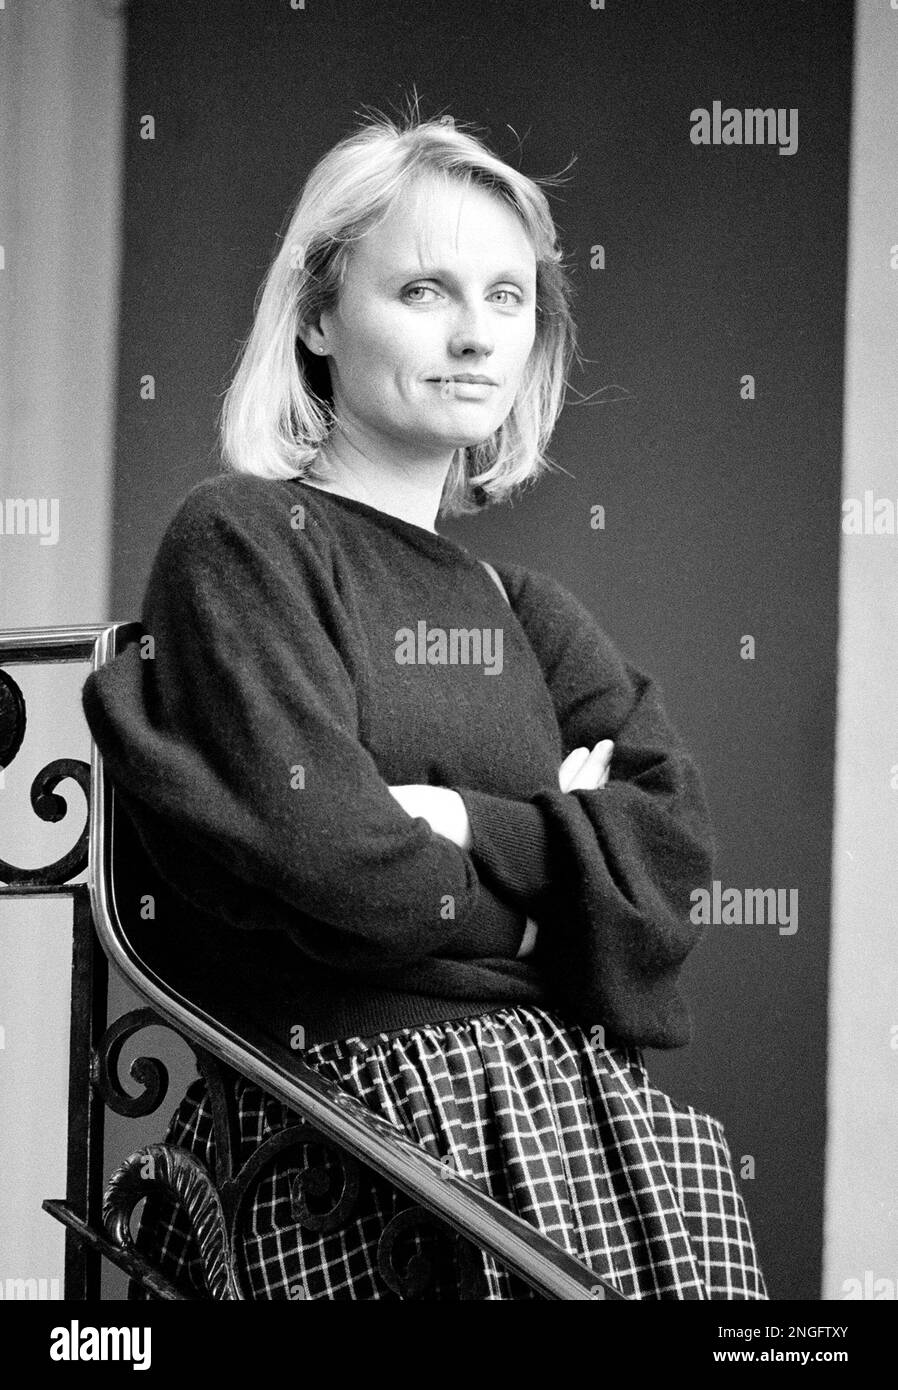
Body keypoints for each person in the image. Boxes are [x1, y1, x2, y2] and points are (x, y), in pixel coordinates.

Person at [82, 106, 768, 1301]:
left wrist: (460, 828)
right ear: (316, 315)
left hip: (587, 1145)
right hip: (348, 1143)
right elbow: (331, 858)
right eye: (424, 292)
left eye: (507, 298)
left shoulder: (526, 608)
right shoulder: (245, 542)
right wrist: (558, 906)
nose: (474, 336)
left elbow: (672, 860)